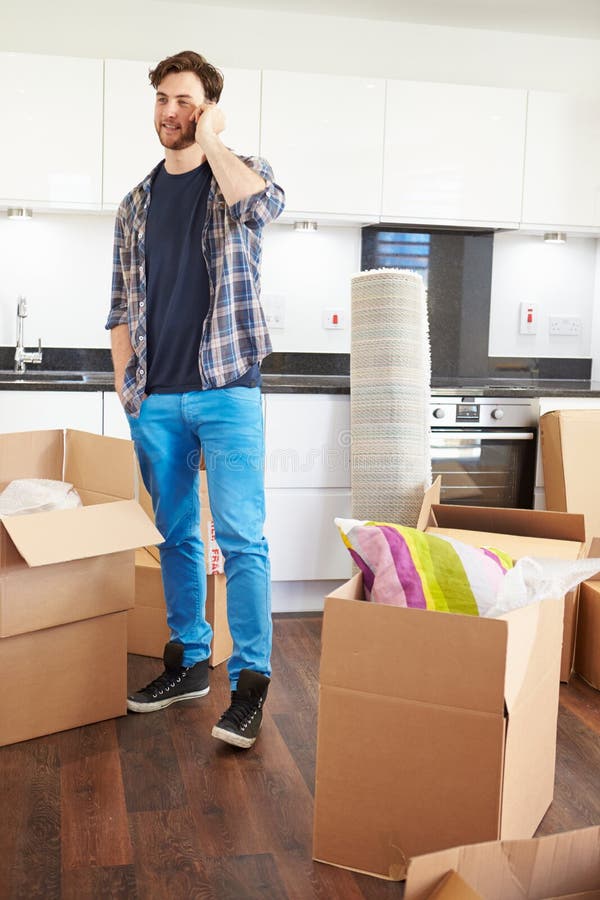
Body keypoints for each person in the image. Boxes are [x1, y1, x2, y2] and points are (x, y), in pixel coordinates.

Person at [106, 50, 285, 749]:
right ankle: (188, 660)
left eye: (183, 100)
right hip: (158, 398)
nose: (168, 112)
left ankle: (249, 686)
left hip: (228, 390)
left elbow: (261, 207)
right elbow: (120, 305)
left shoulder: (239, 177)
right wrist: (130, 391)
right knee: (175, 534)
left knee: (241, 539)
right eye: (160, 100)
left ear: (208, 106)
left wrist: (213, 141)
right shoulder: (135, 203)